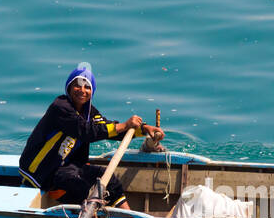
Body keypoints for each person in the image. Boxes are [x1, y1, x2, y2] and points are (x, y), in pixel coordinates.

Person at [18, 66, 164, 209]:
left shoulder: (89, 112)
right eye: (77, 86)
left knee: (107, 178)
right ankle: (89, 212)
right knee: (83, 187)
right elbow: (86, 131)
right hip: (42, 172)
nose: (82, 90)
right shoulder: (60, 107)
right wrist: (125, 125)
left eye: (87, 87)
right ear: (68, 87)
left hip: (67, 166)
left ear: (92, 91)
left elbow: (108, 127)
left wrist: (144, 129)